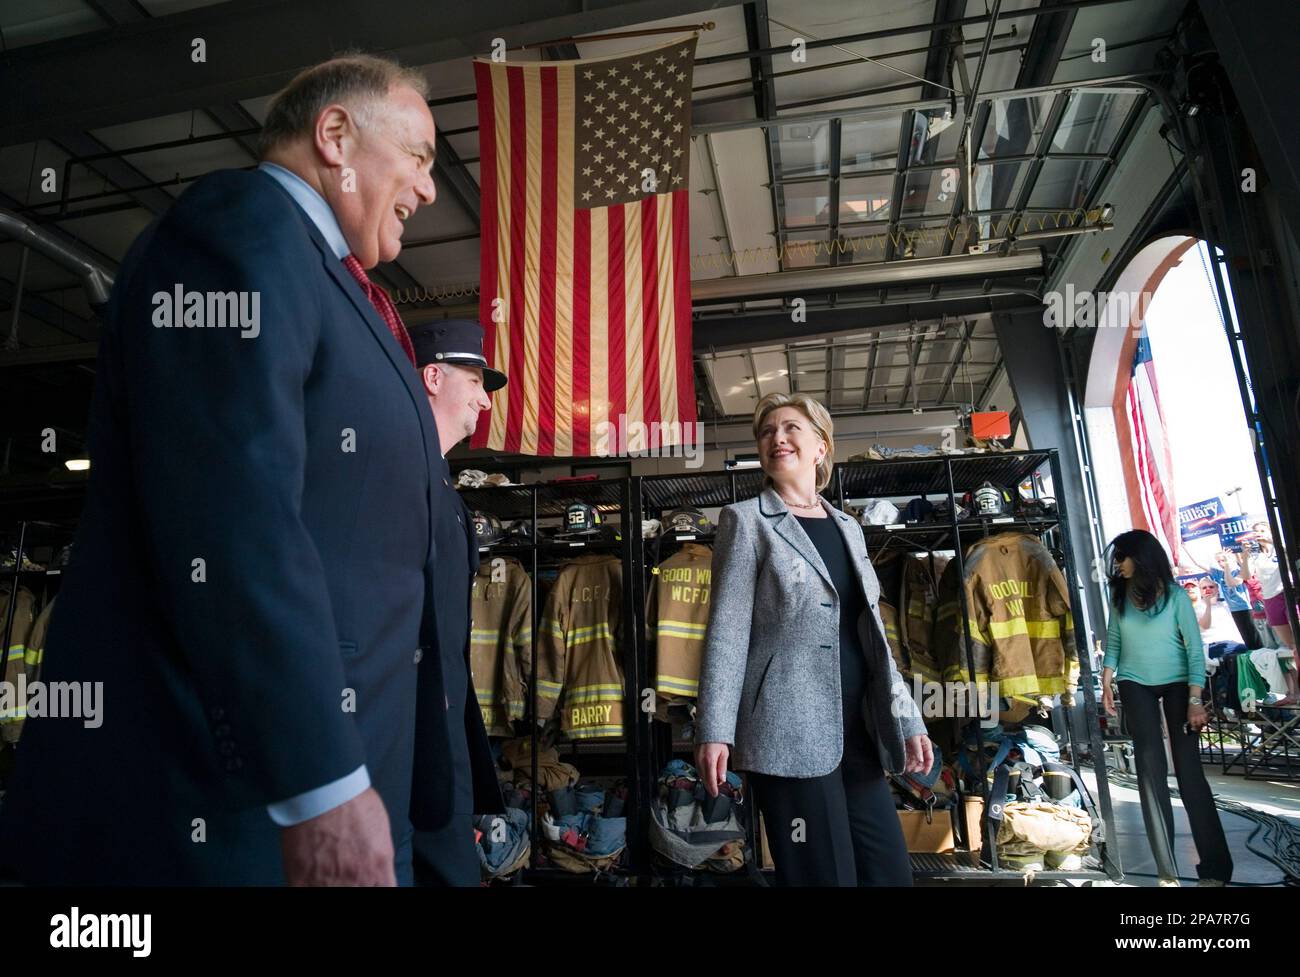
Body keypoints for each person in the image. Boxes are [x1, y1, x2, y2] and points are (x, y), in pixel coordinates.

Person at [0, 55, 505, 885]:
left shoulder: (344, 292)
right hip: (237, 808)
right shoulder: (243, 224)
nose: (427, 189)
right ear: (335, 135)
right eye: (417, 155)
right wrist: (319, 783)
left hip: (368, 787)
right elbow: (230, 513)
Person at [694, 392, 931, 887]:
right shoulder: (746, 521)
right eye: (766, 432)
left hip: (859, 731)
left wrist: (907, 716)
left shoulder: (849, 527)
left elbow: (876, 639)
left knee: (889, 873)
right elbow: (727, 631)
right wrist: (715, 729)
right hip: (787, 732)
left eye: (790, 428)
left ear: (821, 447)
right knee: (822, 876)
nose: (776, 438)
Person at [405, 318, 507, 885]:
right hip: (407, 737)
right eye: (476, 380)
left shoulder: (441, 486)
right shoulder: (398, 473)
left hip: (438, 743)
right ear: (434, 376)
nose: (484, 400)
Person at [1101, 530, 1232, 887]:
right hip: (1134, 681)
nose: (1118, 564)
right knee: (1149, 770)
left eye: (1123, 557)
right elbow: (1114, 640)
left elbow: (1193, 651)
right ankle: (1167, 872)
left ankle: (1216, 869)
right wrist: (1107, 681)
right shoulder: (1120, 595)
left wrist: (1194, 699)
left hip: (1178, 684)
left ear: (1141, 558)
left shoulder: (1175, 597)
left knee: (1189, 774)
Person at [1208, 548, 1261, 649]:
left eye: (1223, 560)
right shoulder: (1220, 573)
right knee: (1247, 638)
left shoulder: (1238, 571)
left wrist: (1229, 563)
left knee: (1256, 637)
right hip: (1234, 610)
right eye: (1218, 561)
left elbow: (1232, 582)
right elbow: (1199, 564)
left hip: (1246, 607)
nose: (1221, 563)